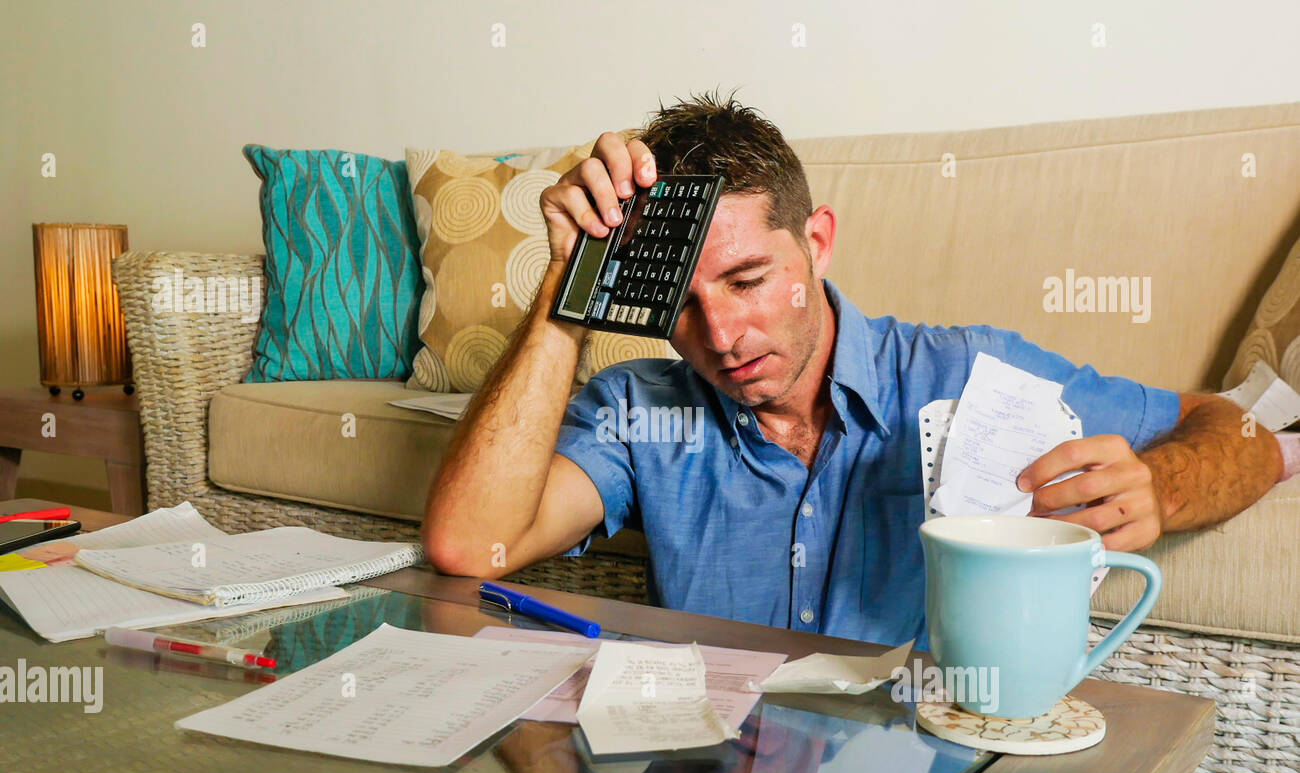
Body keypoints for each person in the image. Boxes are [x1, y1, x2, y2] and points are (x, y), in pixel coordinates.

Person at [423, 90, 1283, 648]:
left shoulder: (965, 373)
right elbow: (468, 546)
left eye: (749, 280)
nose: (721, 334)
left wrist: (1163, 486)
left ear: (818, 244)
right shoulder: (638, 408)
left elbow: (1240, 425)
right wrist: (567, 287)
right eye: (681, 303)